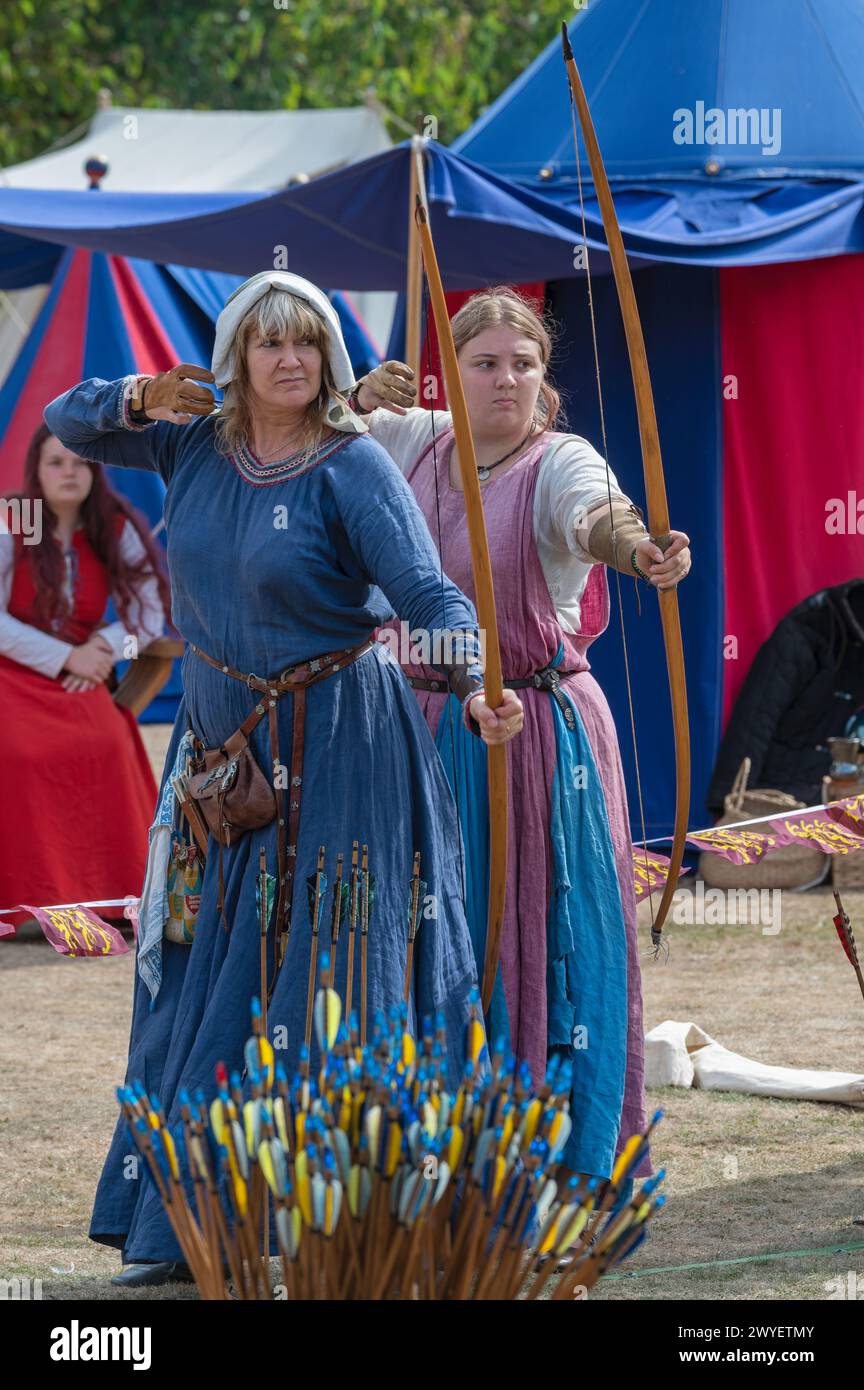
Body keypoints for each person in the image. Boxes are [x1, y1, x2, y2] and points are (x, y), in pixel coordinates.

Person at [44, 271, 524, 1287]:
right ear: (235, 358)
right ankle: (181, 1224)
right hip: (219, 756)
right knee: (200, 972)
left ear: (330, 358)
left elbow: (428, 592)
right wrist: (137, 396)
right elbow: (63, 419)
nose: (290, 360)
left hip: (342, 748)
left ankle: (333, 1220)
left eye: (307, 342)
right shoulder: (188, 442)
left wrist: (477, 678)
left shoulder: (353, 466)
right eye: (268, 343)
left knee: (330, 975)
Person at [351, 286, 692, 1186]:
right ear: (451, 377)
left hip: (533, 734)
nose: (508, 380)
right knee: (423, 940)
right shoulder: (409, 439)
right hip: (419, 728)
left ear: (545, 380)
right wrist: (351, 397)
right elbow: (299, 439)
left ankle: (554, 1164)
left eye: (526, 364)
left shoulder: (561, 460)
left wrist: (639, 548)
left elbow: (596, 515)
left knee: (536, 930)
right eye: (486, 363)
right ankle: (432, 1163)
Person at [0, 424, 167, 926]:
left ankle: (105, 895)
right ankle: (27, 896)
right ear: (36, 471)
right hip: (13, 669)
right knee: (19, 752)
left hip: (82, 671)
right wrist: (62, 656)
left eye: (78, 463)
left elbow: (149, 620)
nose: (68, 473)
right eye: (55, 463)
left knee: (110, 742)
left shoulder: (113, 526)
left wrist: (107, 647)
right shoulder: (18, 520)